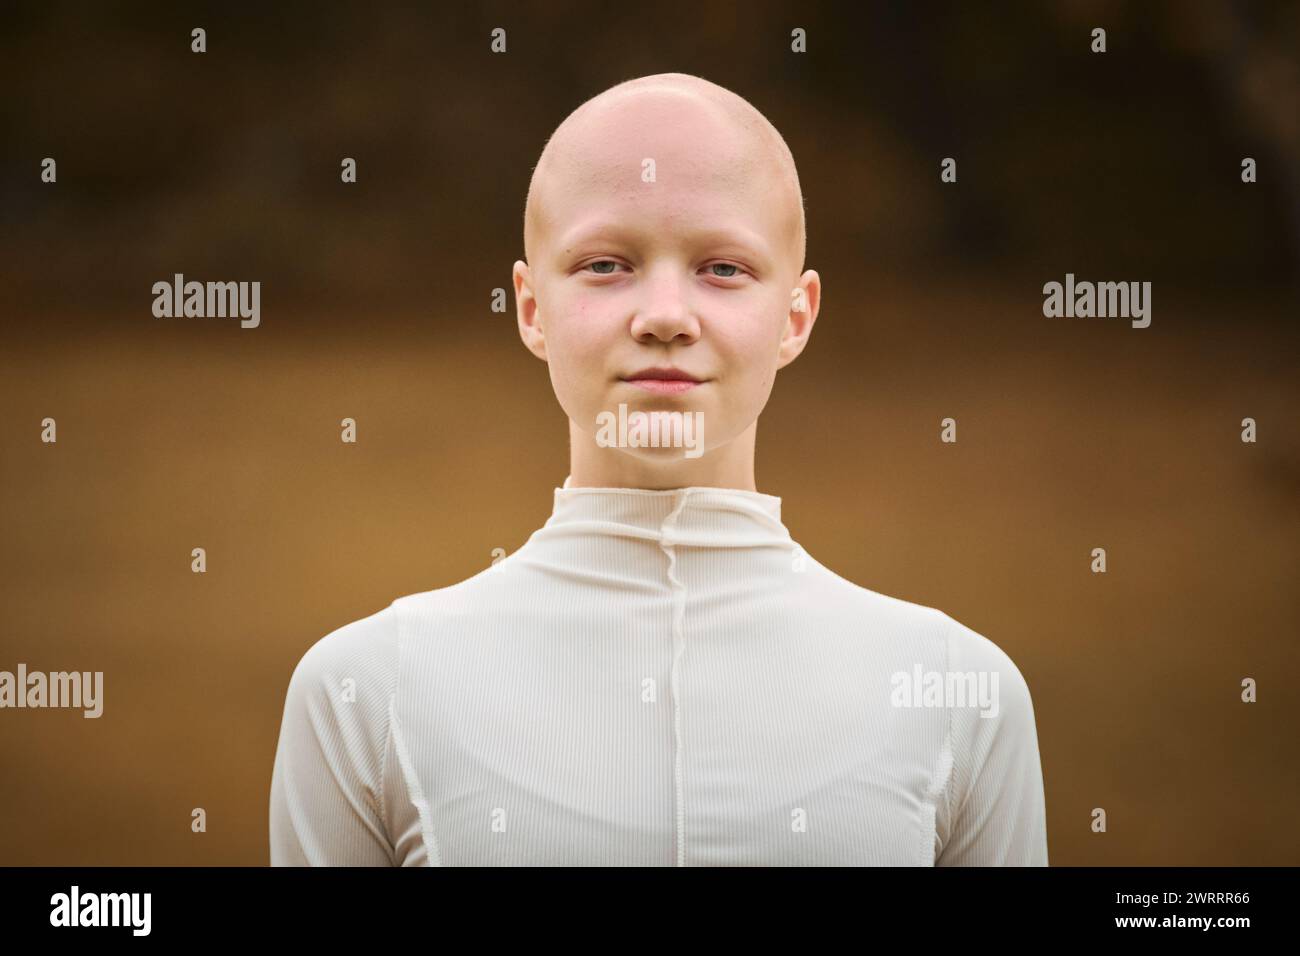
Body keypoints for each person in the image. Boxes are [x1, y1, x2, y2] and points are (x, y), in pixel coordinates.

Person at [269, 72, 1048, 866]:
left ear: (796, 316)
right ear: (531, 307)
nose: (667, 316)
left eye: (724, 268)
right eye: (607, 265)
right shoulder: (367, 694)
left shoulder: (958, 695)